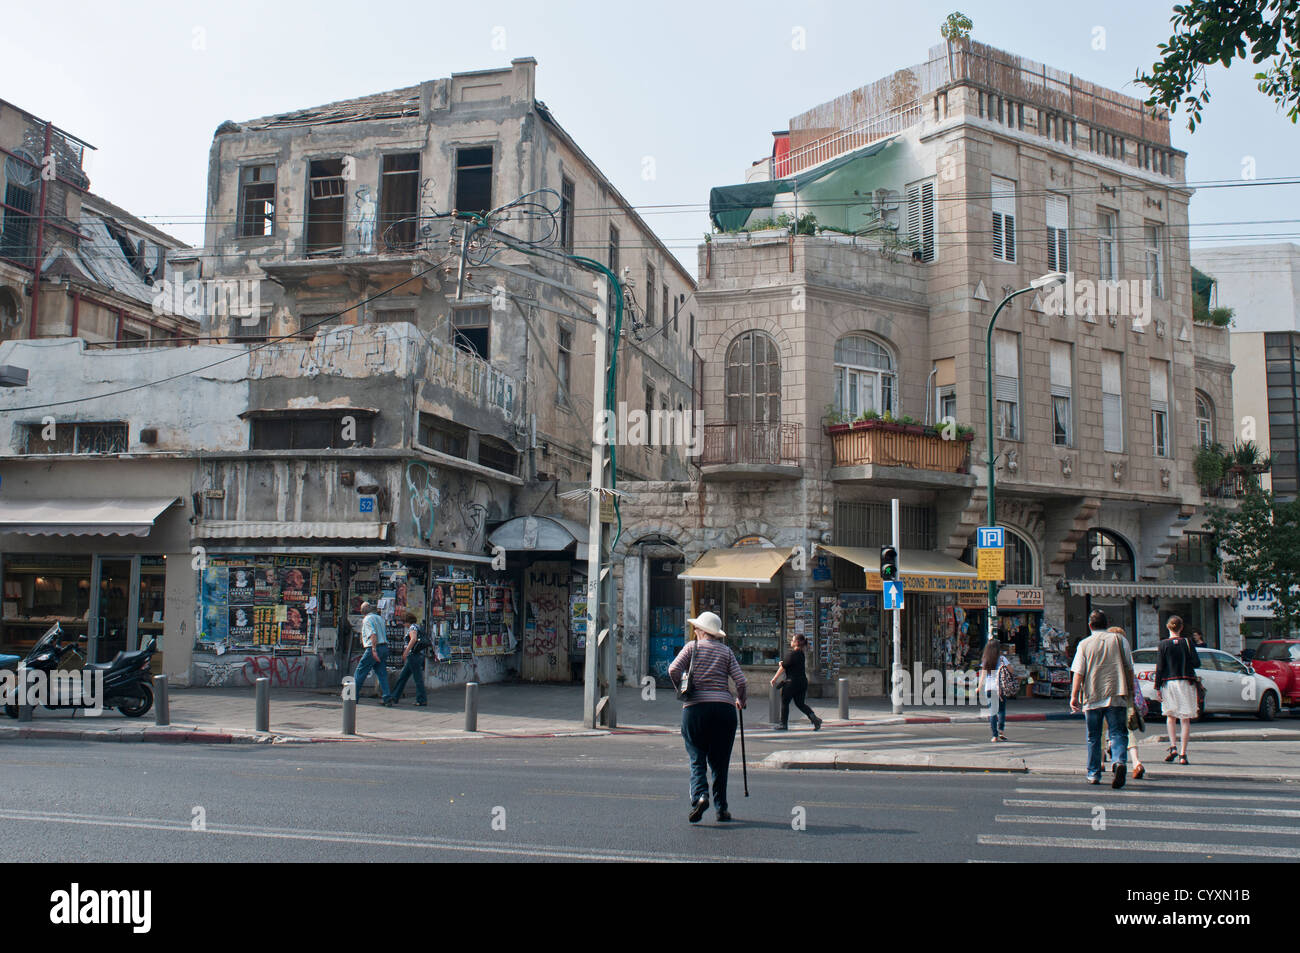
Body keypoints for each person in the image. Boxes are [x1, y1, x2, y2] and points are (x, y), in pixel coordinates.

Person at [668, 611, 747, 824]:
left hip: (696, 709)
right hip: (724, 709)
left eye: (696, 629)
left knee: (697, 757)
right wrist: (741, 700)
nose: (694, 632)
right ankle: (722, 808)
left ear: (702, 632)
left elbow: (673, 669)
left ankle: (700, 796)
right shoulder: (726, 652)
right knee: (720, 763)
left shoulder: (691, 648)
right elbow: (741, 681)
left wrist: (682, 690)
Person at [1069, 609, 1136, 788]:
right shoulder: (1120, 640)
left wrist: (1074, 695)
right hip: (1116, 693)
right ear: (1107, 624)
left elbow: (1078, 672)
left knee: (1093, 736)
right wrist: (1131, 690)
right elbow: (1130, 667)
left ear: (1090, 625)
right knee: (1118, 733)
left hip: (1092, 696)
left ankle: (1093, 774)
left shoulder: (1084, 644)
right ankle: (1119, 761)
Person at [1156, 614, 1200, 765]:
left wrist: (1157, 687)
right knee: (1185, 718)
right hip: (1186, 682)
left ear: (1168, 627)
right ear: (1181, 628)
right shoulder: (1188, 643)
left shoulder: (1163, 645)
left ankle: (1173, 746)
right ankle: (1183, 753)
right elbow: (1196, 663)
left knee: (1170, 716)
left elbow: (1160, 667)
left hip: (1169, 683)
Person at [1106, 626, 1147, 780]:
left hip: (1106, 696)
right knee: (1126, 731)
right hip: (1125, 697)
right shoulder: (1126, 657)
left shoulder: (1106, 656)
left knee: (1105, 729)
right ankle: (1136, 762)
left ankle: (1103, 760)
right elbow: (1133, 681)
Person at [770, 633, 822, 731]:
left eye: (793, 640)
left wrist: (774, 678)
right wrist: (783, 663)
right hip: (802, 682)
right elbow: (790, 664)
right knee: (800, 703)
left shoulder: (792, 654)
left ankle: (783, 724)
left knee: (785, 702)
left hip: (791, 682)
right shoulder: (801, 654)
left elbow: (783, 667)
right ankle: (814, 718)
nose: (791, 642)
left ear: (797, 642)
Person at [352, 601, 393, 706]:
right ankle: (387, 697)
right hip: (384, 646)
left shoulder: (367, 619)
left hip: (373, 648)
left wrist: (374, 650)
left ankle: (353, 697)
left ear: (362, 612)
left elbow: (373, 635)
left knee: (360, 672)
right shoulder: (379, 618)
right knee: (382, 673)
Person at [390, 611, 429, 706]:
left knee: (417, 678)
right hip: (416, 655)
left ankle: (421, 699)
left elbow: (413, 639)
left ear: (407, 621)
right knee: (403, 677)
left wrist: (406, 651)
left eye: (404, 622)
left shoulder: (412, 628)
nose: (404, 624)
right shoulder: (418, 626)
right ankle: (395, 696)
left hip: (413, 655)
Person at [977, 638, 1009, 742]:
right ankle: (1001, 730)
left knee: (992, 712)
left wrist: (979, 687)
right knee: (1002, 710)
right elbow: (1011, 670)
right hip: (1000, 687)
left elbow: (983, 675)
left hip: (989, 688)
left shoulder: (986, 659)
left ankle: (994, 735)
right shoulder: (1002, 659)